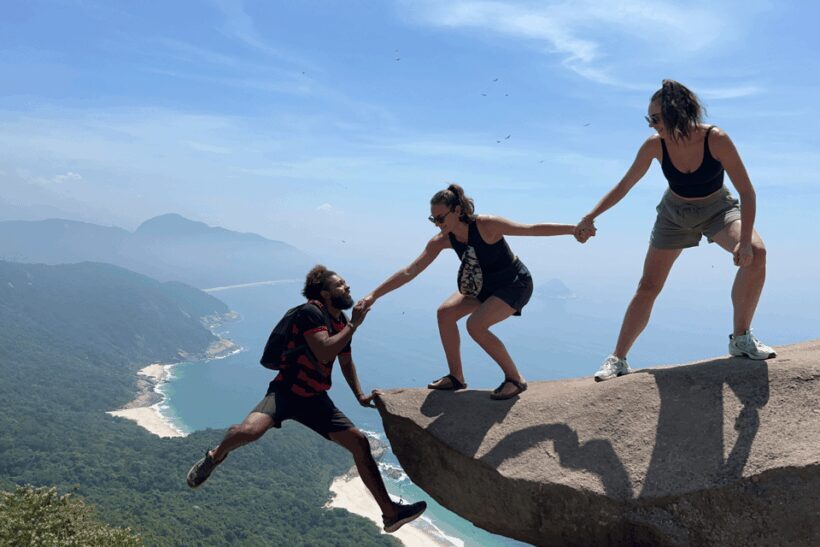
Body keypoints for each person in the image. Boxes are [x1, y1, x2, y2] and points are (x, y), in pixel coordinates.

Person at [186, 265, 426, 533]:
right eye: (339, 284)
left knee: (359, 443)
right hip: (286, 391)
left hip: (315, 399)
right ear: (324, 293)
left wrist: (359, 395)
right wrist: (354, 325)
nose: (347, 287)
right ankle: (214, 456)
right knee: (248, 431)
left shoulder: (340, 320)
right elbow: (324, 351)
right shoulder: (310, 313)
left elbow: (345, 360)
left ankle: (391, 514)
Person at [574, 79, 775, 382]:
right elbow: (625, 185)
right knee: (649, 285)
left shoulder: (716, 139)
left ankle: (741, 338)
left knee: (757, 253)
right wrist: (590, 216)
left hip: (717, 210)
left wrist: (744, 242)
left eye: (655, 118)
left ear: (676, 113)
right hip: (674, 214)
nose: (652, 125)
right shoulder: (655, 145)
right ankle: (618, 359)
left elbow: (747, 191)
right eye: (649, 119)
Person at [361, 184, 585, 400]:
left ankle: (515, 379)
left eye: (440, 218)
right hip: (483, 287)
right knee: (445, 313)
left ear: (457, 210)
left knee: (476, 325)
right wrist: (373, 296)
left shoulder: (487, 225)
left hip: (515, 284)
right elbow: (410, 271)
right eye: (433, 219)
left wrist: (573, 229)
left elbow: (531, 229)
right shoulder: (443, 240)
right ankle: (456, 378)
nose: (437, 224)